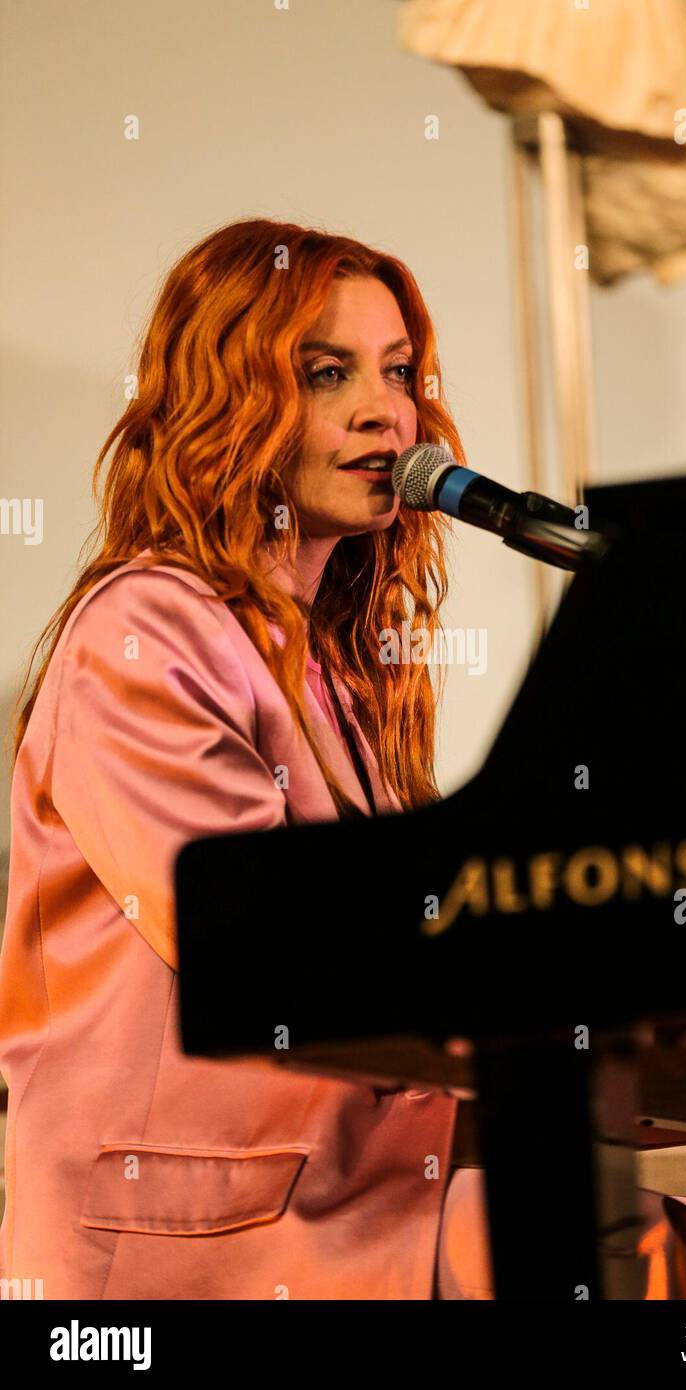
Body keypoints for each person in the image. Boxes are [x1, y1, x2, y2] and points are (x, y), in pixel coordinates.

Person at [0, 218, 493, 1299]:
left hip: (347, 1198)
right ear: (227, 398)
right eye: (327, 373)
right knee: (660, 1255)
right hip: (191, 1242)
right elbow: (269, 949)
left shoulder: (335, 672)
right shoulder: (144, 634)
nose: (385, 410)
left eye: (398, 373)